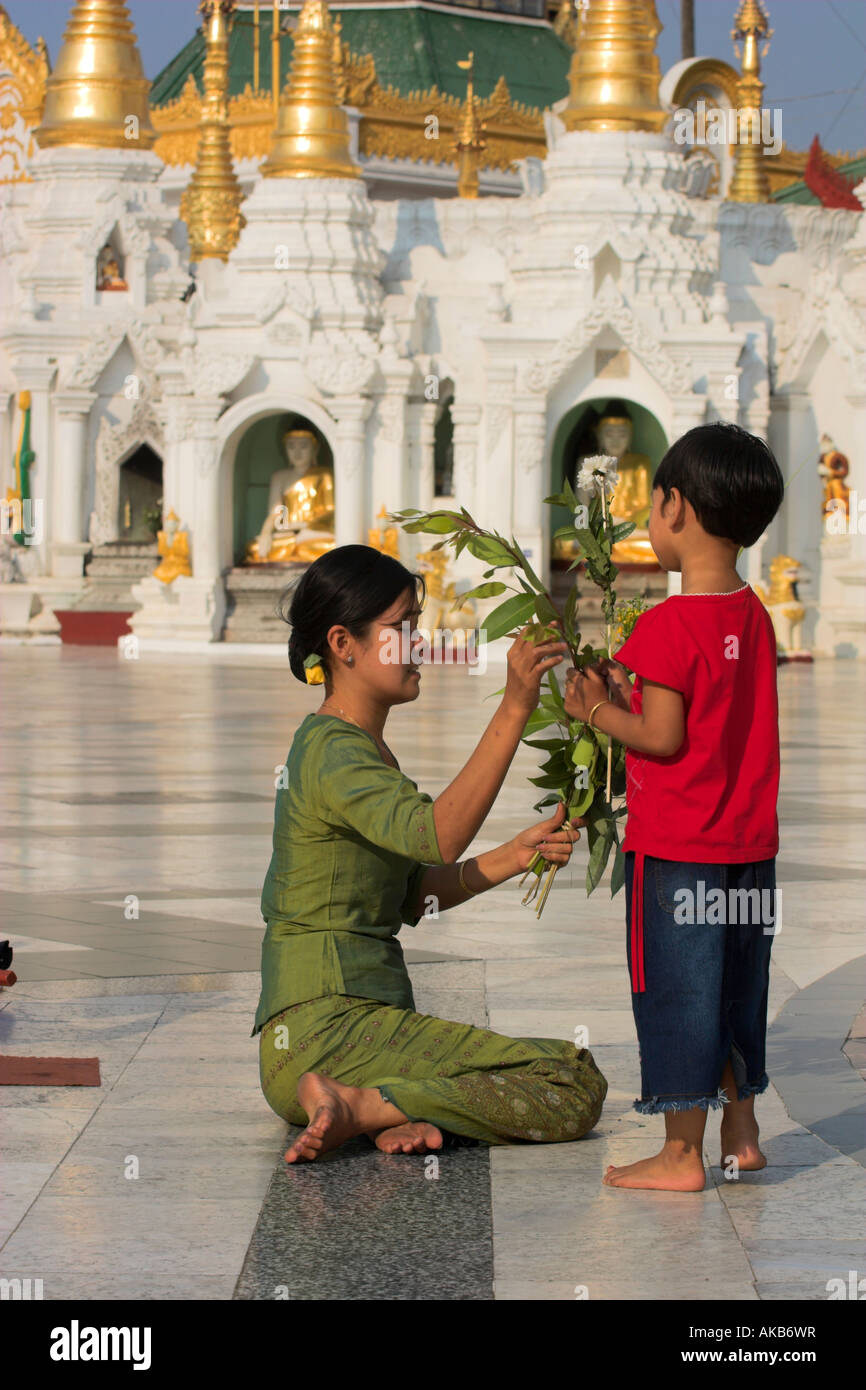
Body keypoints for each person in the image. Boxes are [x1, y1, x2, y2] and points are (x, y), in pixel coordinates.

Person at [252, 545, 608, 1161]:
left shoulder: (351, 747)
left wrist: (513, 856)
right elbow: (438, 834)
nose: (419, 643)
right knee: (571, 1080)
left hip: (322, 1036)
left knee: (521, 1079)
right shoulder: (334, 751)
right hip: (329, 1027)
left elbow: (414, 893)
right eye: (402, 628)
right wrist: (517, 703)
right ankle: (365, 1103)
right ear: (343, 643)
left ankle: (375, 1105)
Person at [564, 422, 785, 1191]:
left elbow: (659, 738)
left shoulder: (666, 623)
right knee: (735, 983)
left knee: (680, 990)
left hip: (680, 848)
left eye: (653, 504)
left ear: (675, 508)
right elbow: (707, 713)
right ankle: (743, 1128)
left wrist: (594, 711)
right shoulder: (752, 618)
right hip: (750, 846)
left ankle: (682, 1153)